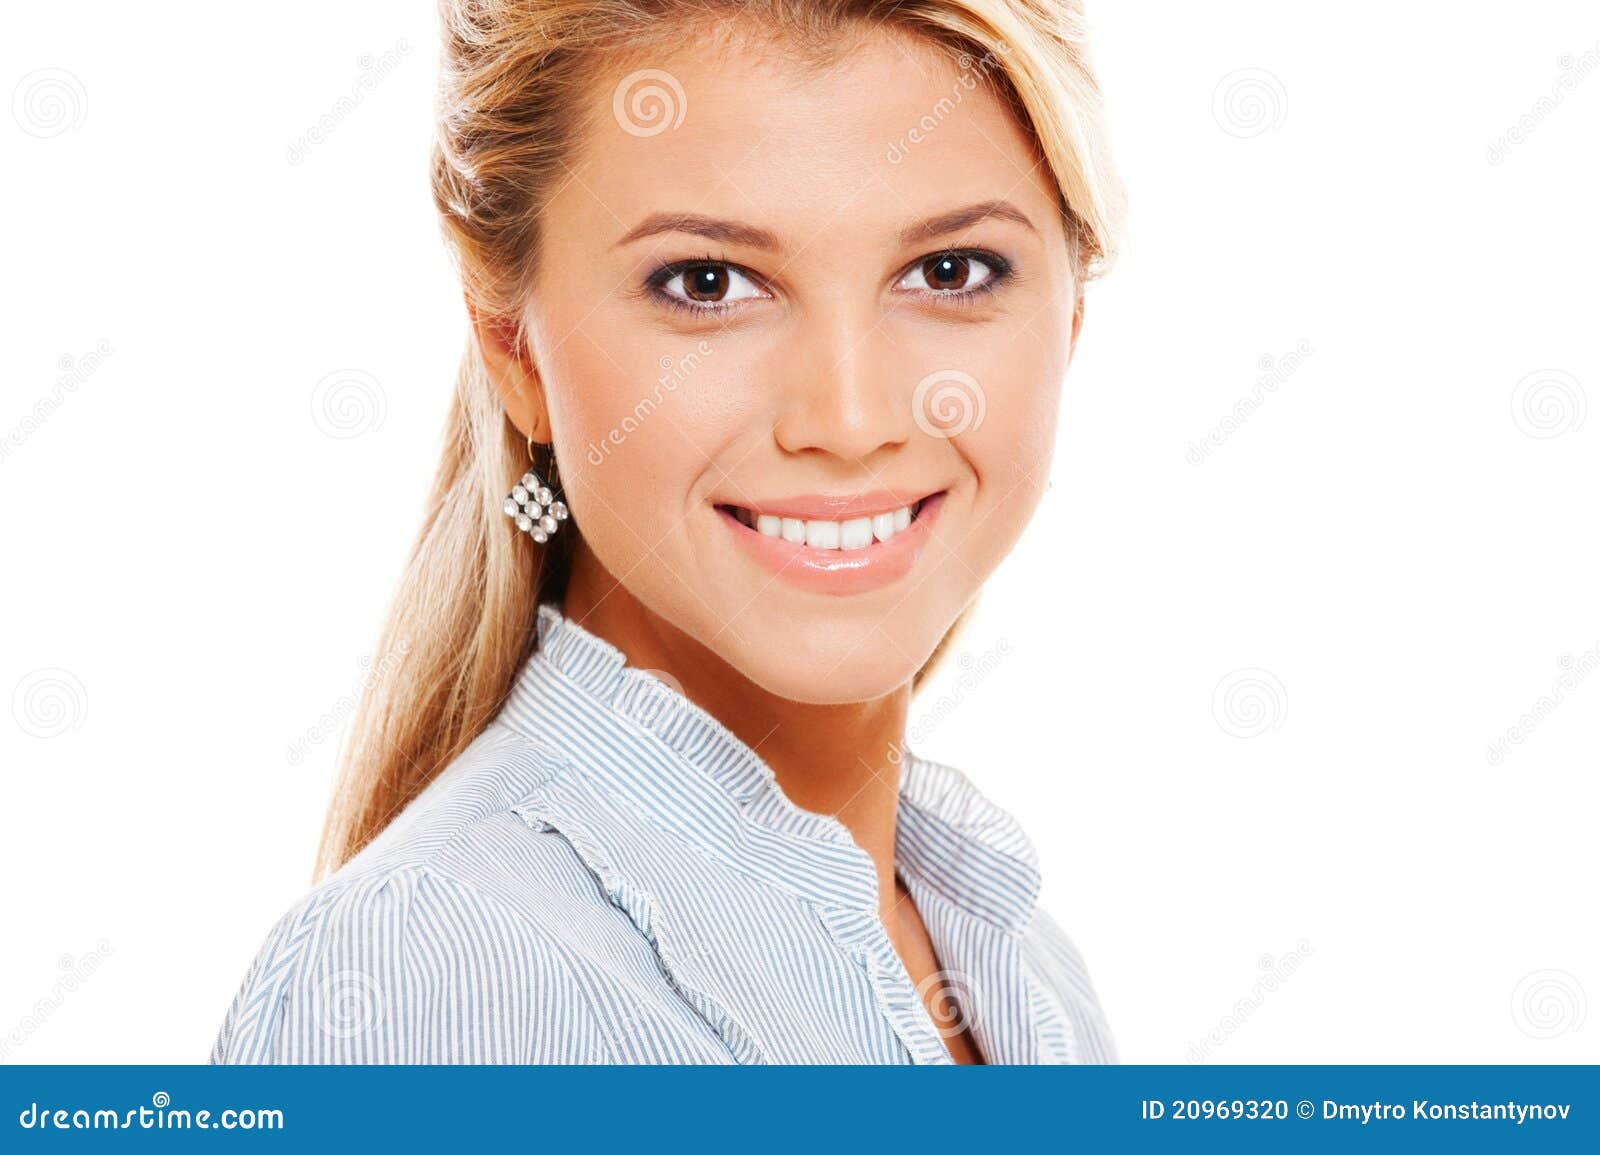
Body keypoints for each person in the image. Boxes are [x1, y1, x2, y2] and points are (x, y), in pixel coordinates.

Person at [211, 0, 1125, 1065]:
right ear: (512, 349)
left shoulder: (1018, 966)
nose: (848, 419)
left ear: (1069, 317)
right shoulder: (448, 969)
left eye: (950, 271)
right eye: (707, 284)